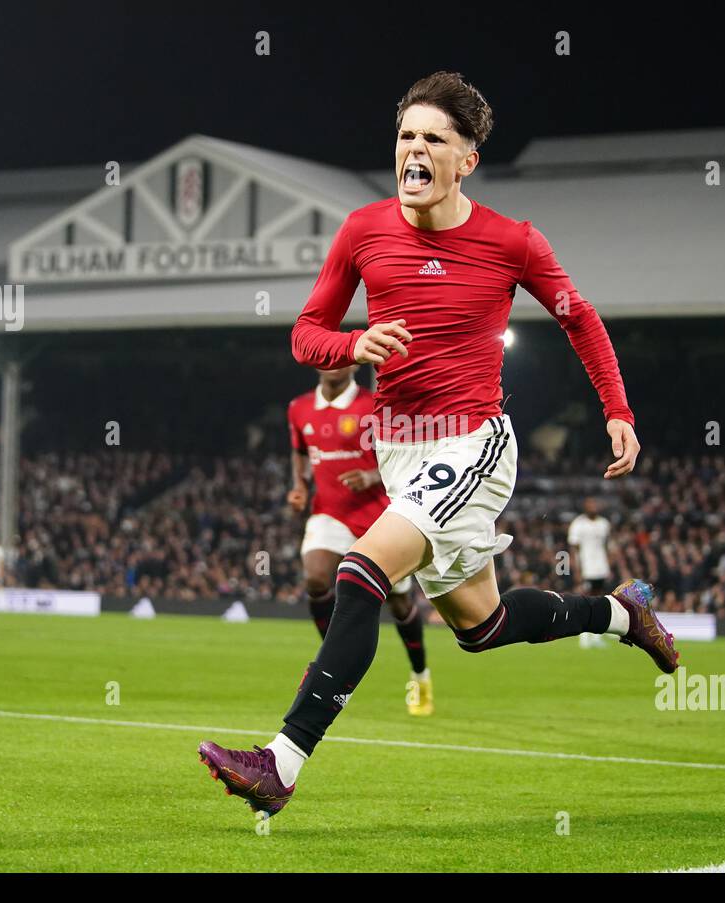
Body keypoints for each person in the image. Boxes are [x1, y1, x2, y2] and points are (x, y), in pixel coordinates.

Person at [199, 71, 677, 817]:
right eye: (406, 136)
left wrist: (618, 408)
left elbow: (578, 317)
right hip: (401, 451)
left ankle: (282, 762)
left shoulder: (513, 241)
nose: (414, 150)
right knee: (480, 626)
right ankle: (622, 614)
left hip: (473, 443)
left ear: (466, 161)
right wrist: (355, 345)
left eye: (434, 139)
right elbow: (305, 334)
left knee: (362, 571)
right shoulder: (362, 231)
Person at [287, 365, 432, 715]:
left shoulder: (374, 405)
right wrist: (300, 486)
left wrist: (370, 475)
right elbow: (301, 452)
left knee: (399, 604)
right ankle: (333, 667)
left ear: (354, 363)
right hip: (330, 514)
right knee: (317, 579)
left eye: (341, 358)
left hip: (380, 515)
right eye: (327, 357)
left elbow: (406, 455)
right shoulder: (299, 407)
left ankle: (420, 675)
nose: (333, 363)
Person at [568, 497, 614, 649]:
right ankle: (584, 635)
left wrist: (609, 565)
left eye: (595, 504)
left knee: (599, 600)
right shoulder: (578, 524)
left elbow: (607, 546)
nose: (593, 507)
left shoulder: (604, 524)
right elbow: (574, 549)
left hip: (600, 567)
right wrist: (577, 570)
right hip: (586, 567)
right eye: (590, 504)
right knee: (585, 600)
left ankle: (595, 635)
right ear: (585, 507)